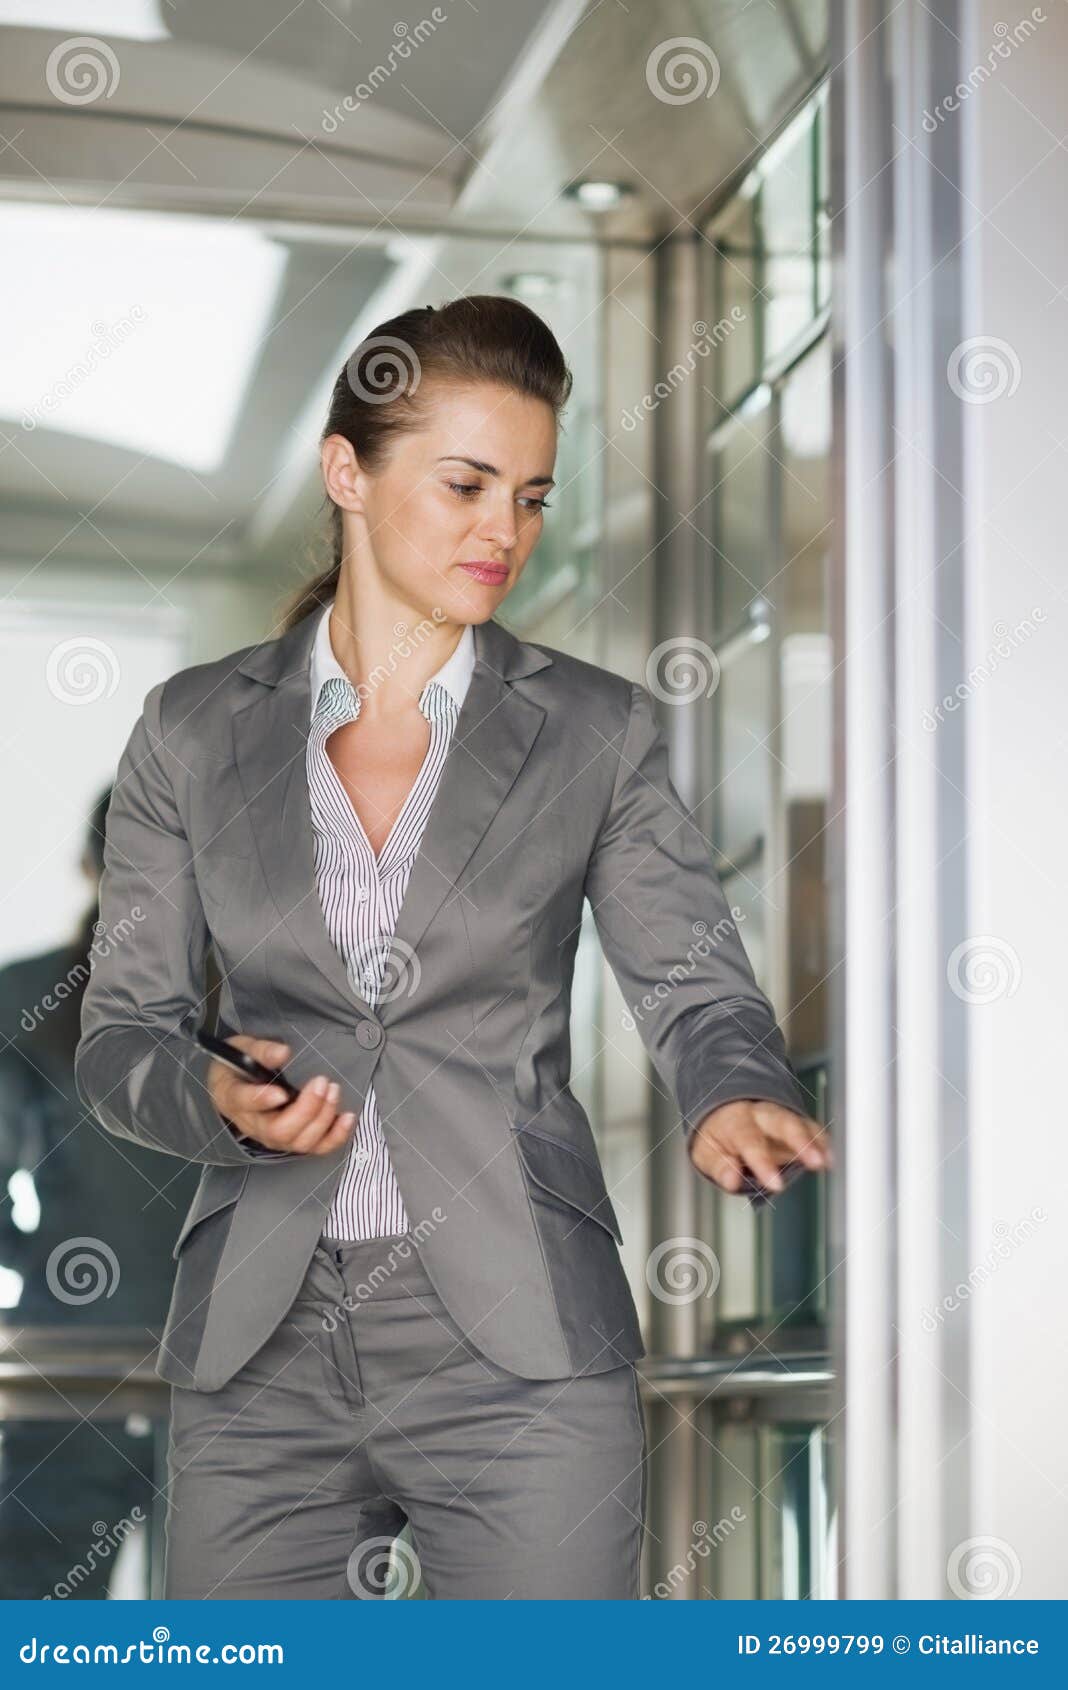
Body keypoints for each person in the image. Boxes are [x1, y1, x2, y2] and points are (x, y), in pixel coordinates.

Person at [74, 293, 832, 1600]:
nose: (505, 532)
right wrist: (211, 1095)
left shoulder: (596, 731)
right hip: (258, 1342)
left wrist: (734, 1090)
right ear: (347, 474)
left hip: (522, 1336)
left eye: (531, 498)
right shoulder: (190, 730)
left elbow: (696, 983)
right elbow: (120, 1038)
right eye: (467, 485)